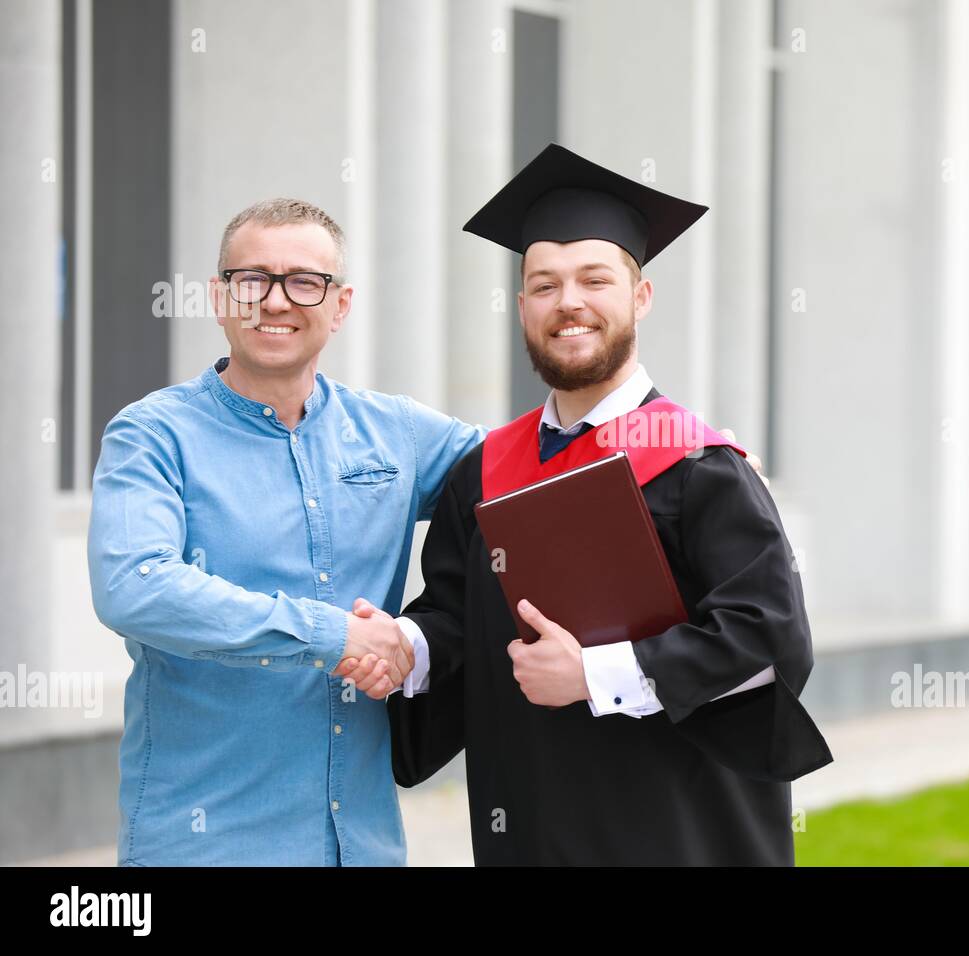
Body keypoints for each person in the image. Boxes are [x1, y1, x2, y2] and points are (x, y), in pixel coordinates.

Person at [358, 144, 833, 865]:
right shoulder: (484, 471)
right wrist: (406, 646)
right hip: (531, 824)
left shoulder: (698, 465)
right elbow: (458, 616)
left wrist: (594, 675)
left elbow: (767, 640)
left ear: (639, 298)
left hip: (682, 831)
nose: (568, 302)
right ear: (521, 307)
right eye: (543, 285)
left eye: (594, 280)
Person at [87, 199, 484, 865]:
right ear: (219, 298)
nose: (276, 302)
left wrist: (671, 445)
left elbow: (532, 475)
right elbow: (134, 586)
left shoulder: (397, 433)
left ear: (340, 304)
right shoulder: (153, 435)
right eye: (252, 280)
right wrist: (334, 635)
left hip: (362, 846)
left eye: (304, 281)